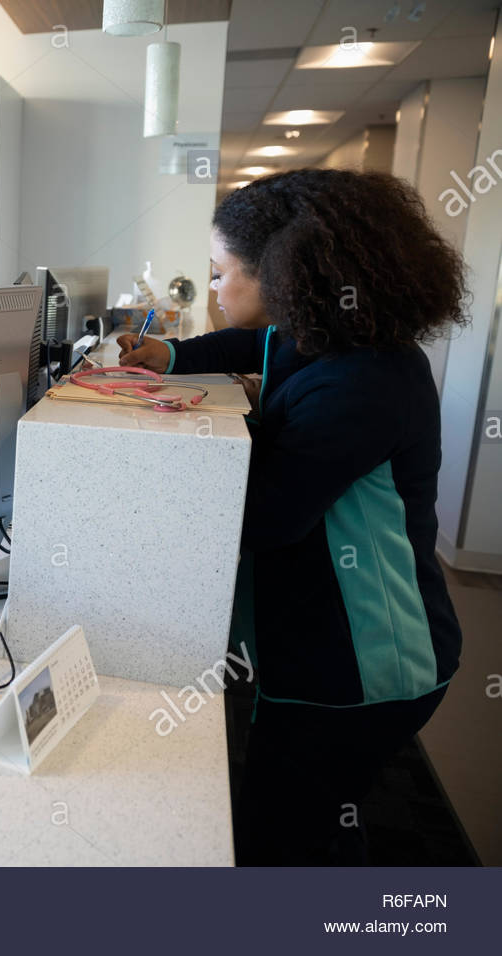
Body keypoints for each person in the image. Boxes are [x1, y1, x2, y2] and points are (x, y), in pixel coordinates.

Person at [119, 168, 467, 864]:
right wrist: (171, 355)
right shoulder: (320, 334)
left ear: (282, 273)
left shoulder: (360, 383)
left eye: (221, 273)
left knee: (283, 839)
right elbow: (249, 346)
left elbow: (263, 521)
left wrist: (125, 492)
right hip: (316, 643)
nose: (213, 290)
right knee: (311, 821)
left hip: (364, 659)